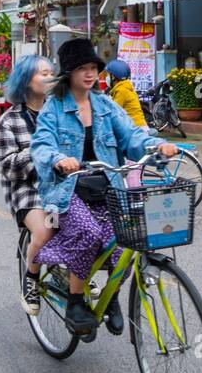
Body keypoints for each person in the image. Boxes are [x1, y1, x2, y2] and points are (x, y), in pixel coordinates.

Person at [29, 38, 178, 337]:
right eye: (82, 68)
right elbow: (41, 146)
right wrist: (59, 159)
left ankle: (110, 299)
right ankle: (74, 301)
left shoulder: (106, 105)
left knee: (127, 239)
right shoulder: (53, 109)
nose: (89, 73)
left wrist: (158, 145)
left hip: (107, 186)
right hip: (67, 190)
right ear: (69, 72)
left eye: (93, 67)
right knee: (89, 232)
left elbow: (132, 137)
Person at [0, 54, 58, 315]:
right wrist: (37, 148)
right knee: (46, 230)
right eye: (42, 73)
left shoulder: (61, 112)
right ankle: (31, 279)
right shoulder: (9, 120)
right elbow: (7, 165)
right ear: (26, 80)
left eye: (50, 72)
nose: (49, 76)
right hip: (26, 187)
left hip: (60, 184)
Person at [104, 59, 147, 128]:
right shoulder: (124, 87)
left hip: (135, 128)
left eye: (108, 75)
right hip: (134, 126)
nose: (106, 77)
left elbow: (113, 110)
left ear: (114, 77)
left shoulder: (122, 90)